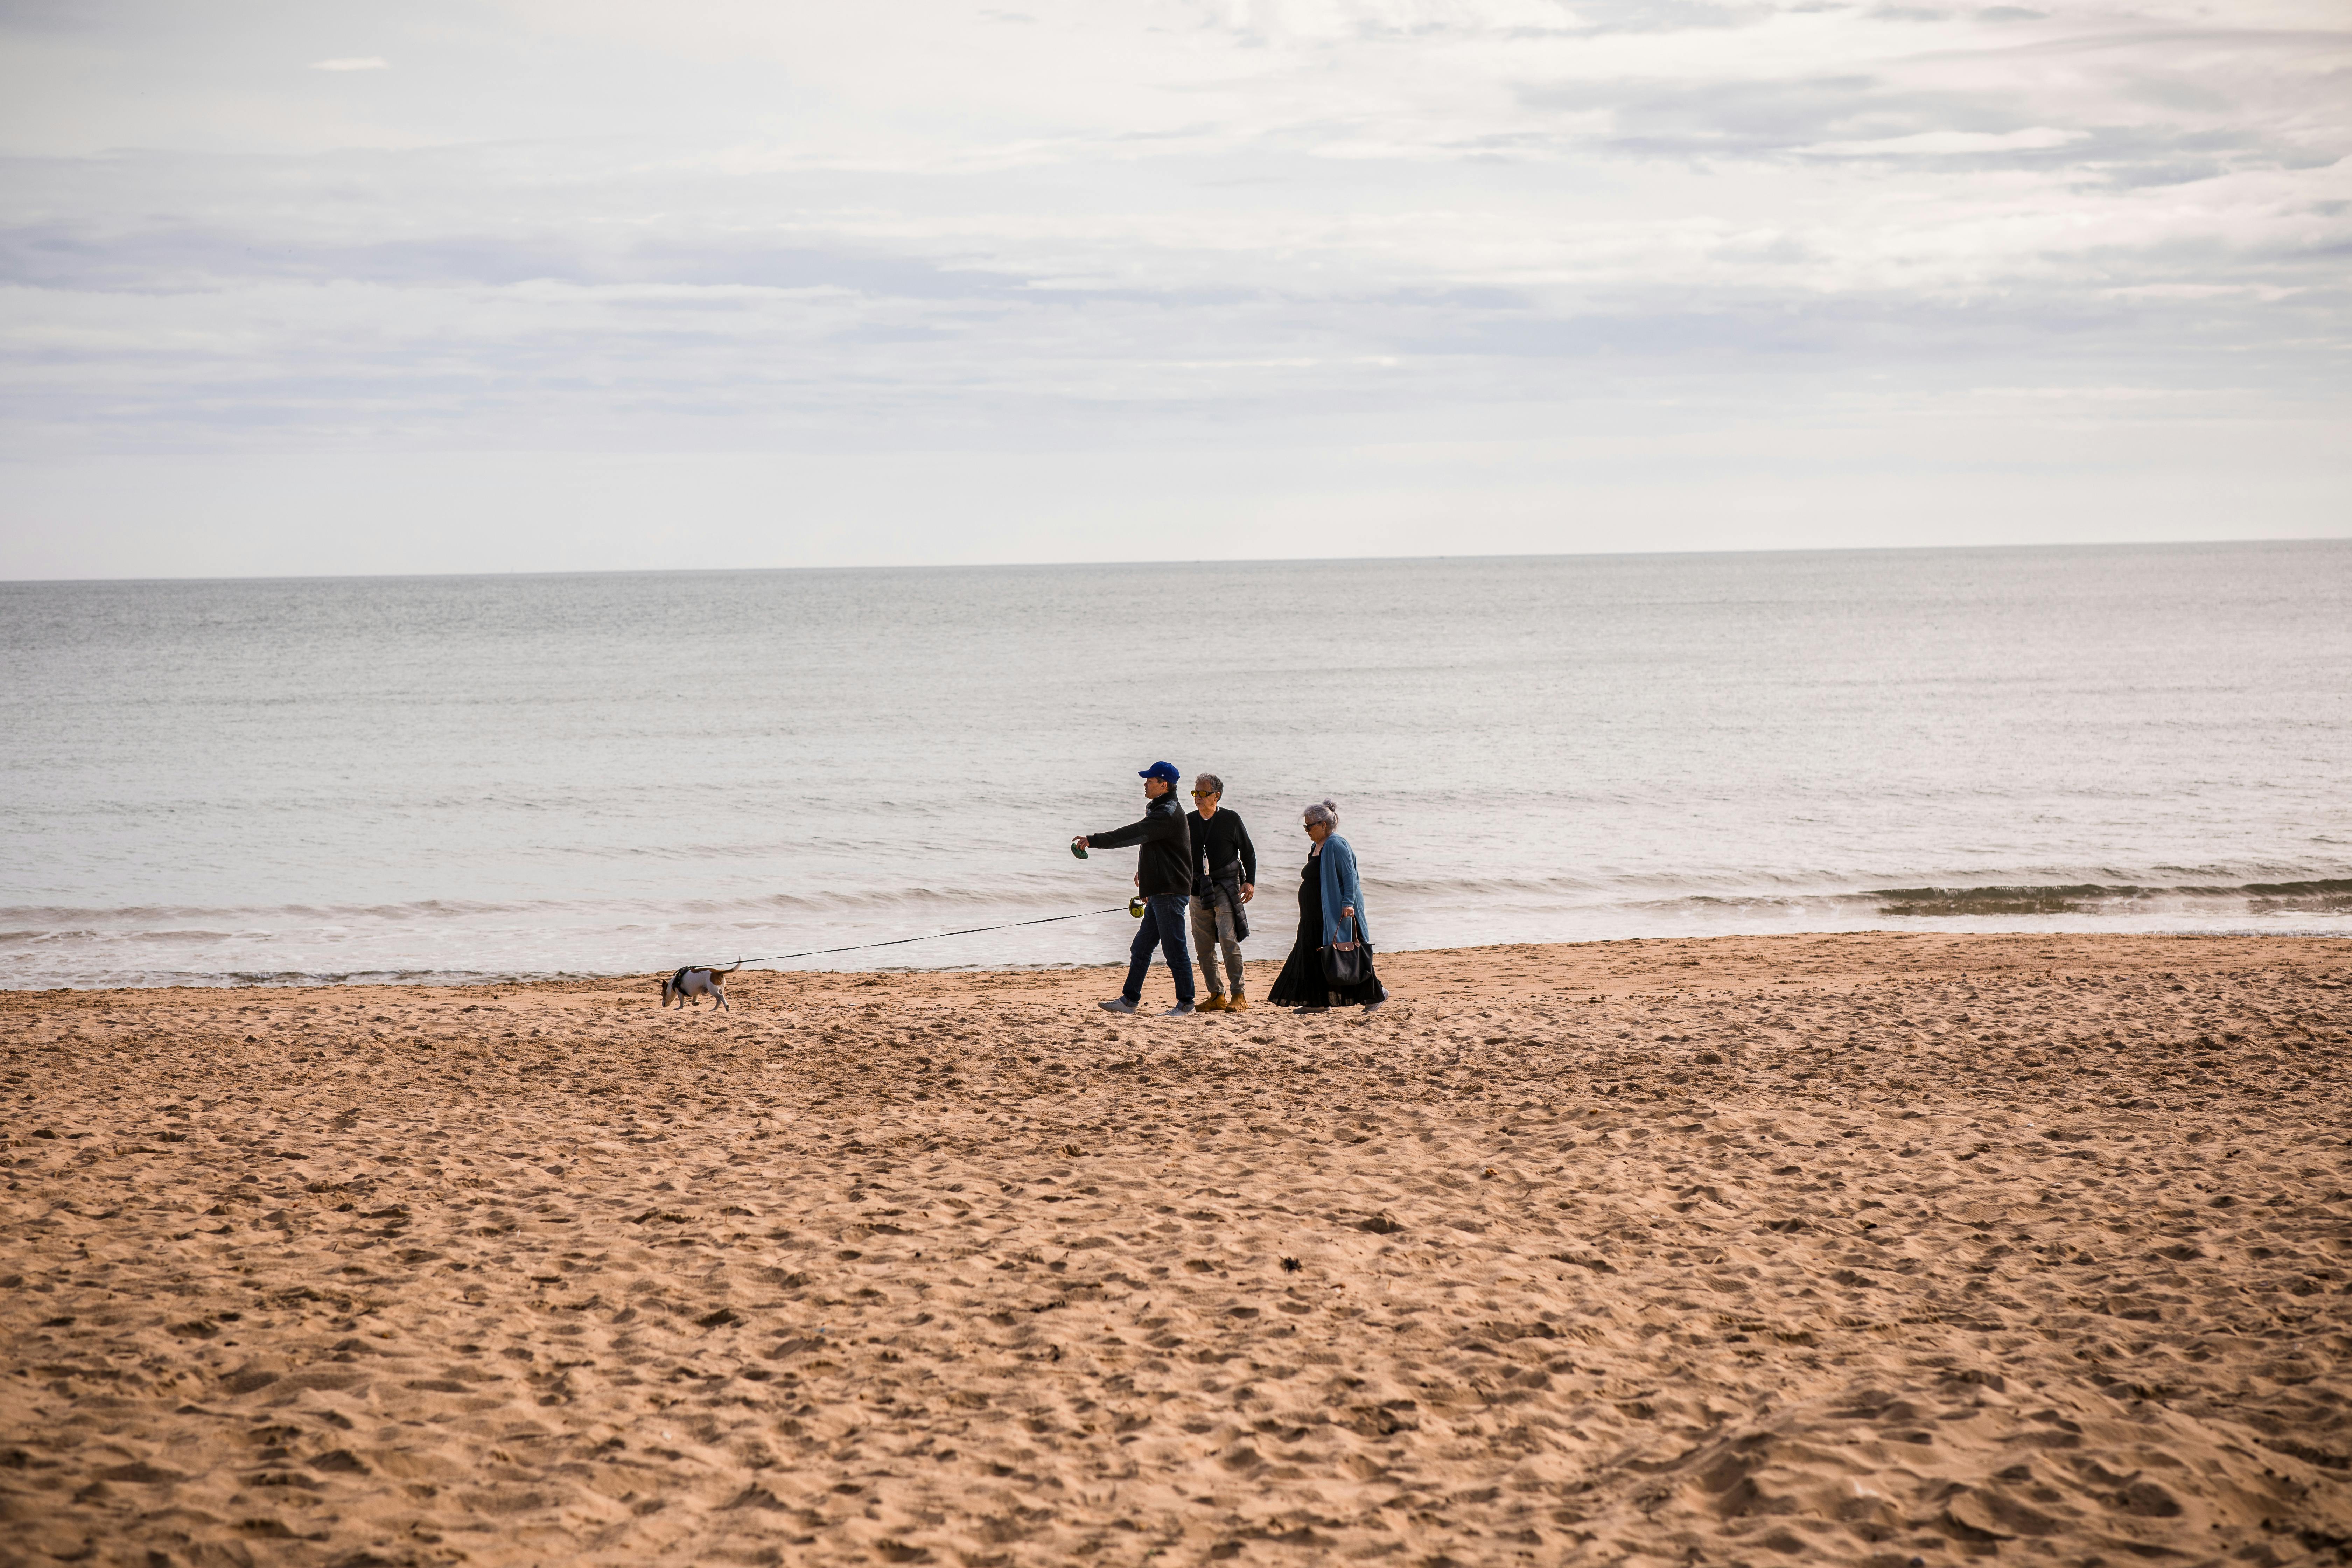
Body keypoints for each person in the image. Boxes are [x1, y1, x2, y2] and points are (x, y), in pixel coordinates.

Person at [1071, 762, 1196, 1016]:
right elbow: (1156, 846)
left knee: (1175, 950)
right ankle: (1129, 1001)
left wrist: (1093, 841)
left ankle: (1186, 1004)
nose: (1145, 784)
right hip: (1160, 890)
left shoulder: (1167, 812)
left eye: (1150, 780)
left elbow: (1135, 834)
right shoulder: (1160, 809)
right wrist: (1146, 874)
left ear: (1164, 784)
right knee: (1141, 948)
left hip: (1170, 892)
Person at [1267, 798, 1386, 1012]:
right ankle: (1319, 1003)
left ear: (1323, 825)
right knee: (1312, 954)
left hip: (1331, 912)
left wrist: (1348, 904)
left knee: (1344, 954)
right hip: (1314, 914)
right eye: (1305, 826)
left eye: (1309, 826)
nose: (1307, 831)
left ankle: (1376, 995)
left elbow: (1350, 877)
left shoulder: (1335, 844)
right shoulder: (1317, 845)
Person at [1184, 774, 1257, 1011]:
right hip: (1197, 889)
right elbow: (1173, 854)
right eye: (1196, 793)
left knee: (1228, 939)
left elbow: (1249, 854)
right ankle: (1217, 995)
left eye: (1204, 794)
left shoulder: (1231, 819)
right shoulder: (1188, 821)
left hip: (1226, 886)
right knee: (1203, 946)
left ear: (1217, 796)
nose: (1199, 798)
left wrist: (1250, 883)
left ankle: (1239, 995)